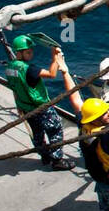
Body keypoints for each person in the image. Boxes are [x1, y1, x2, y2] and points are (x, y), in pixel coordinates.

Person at [4, 35, 74, 171]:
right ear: (19, 53)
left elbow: (15, 88)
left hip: (25, 107)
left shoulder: (9, 68)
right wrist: (56, 58)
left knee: (36, 133)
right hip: (40, 107)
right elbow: (52, 74)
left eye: (31, 51)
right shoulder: (29, 69)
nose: (31, 54)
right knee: (55, 129)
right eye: (28, 52)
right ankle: (57, 160)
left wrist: (19, 106)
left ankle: (45, 156)